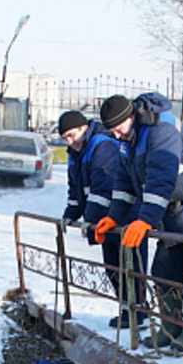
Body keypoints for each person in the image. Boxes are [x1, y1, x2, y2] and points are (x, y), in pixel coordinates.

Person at [96, 92, 183, 352]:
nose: (116, 135)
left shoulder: (161, 128)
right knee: (165, 271)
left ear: (131, 117)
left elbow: (161, 177)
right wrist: (114, 215)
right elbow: (125, 181)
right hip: (172, 211)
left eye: (118, 129)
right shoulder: (129, 137)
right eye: (112, 131)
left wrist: (145, 219)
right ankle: (170, 329)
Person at [57, 109, 146, 328]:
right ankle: (127, 310)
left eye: (72, 135)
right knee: (113, 266)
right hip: (106, 221)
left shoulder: (102, 145)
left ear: (84, 128)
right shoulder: (76, 152)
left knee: (130, 265)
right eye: (65, 137)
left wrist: (92, 220)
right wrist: (71, 213)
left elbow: (103, 186)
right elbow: (76, 188)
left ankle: (138, 313)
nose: (70, 141)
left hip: (124, 216)